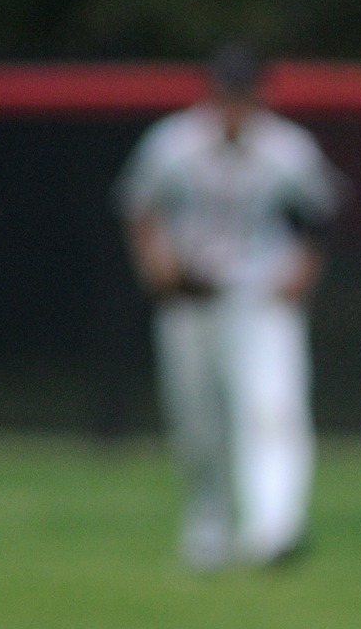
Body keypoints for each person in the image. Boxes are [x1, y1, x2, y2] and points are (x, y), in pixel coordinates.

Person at [117, 43, 345, 570]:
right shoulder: (174, 143)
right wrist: (156, 266)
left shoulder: (288, 149)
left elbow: (321, 214)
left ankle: (274, 530)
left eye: (244, 93)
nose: (234, 104)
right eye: (227, 92)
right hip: (191, 301)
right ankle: (208, 529)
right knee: (198, 421)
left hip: (260, 298)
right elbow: (140, 206)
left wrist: (301, 274)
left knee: (273, 410)